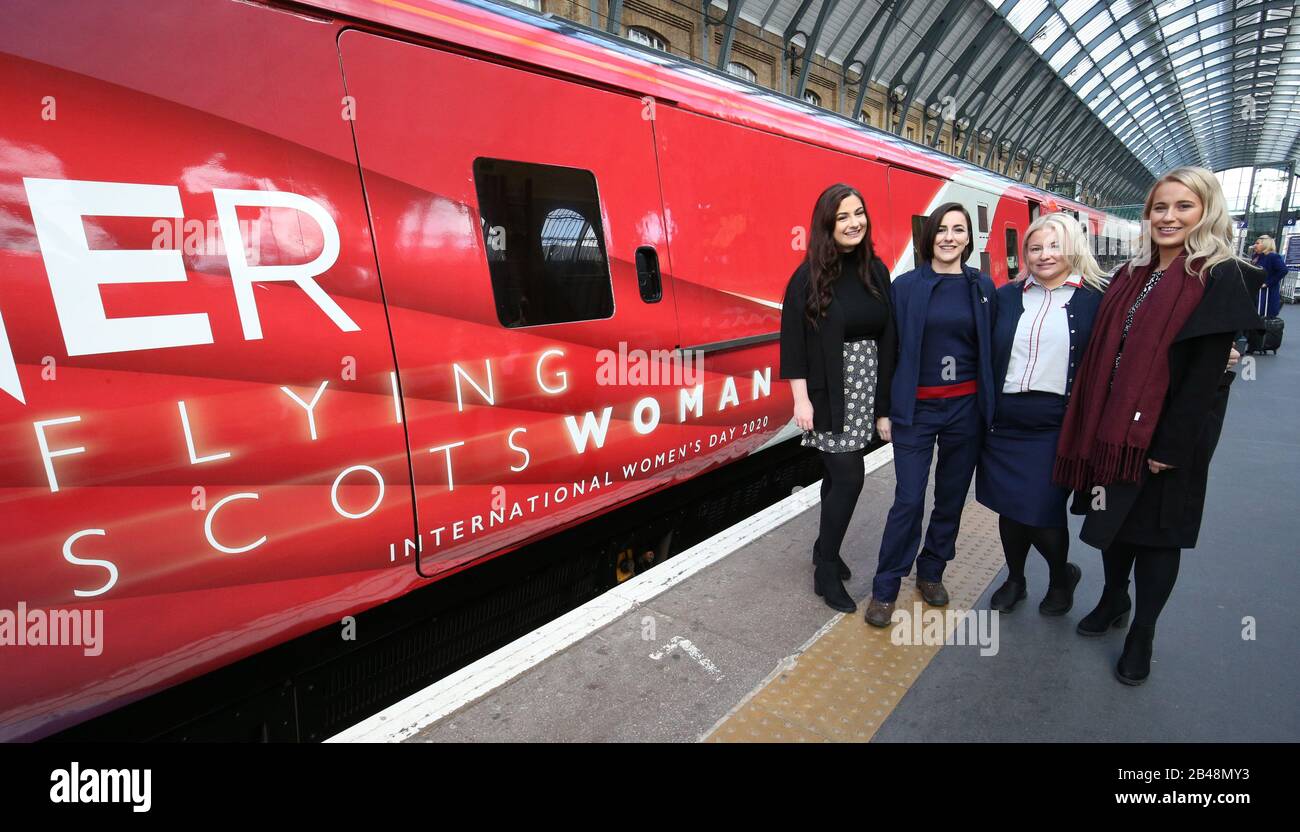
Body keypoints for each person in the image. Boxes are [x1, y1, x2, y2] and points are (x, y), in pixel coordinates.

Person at [1053, 166, 1265, 685]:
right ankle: (1113, 598)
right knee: (1116, 525)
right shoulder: (1132, 274)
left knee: (1158, 536)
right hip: (1116, 428)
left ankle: (1142, 632)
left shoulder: (1219, 276)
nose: (1169, 217)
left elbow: (1206, 374)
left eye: (1183, 207)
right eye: (1160, 207)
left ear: (1206, 211)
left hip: (1174, 433)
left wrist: (1170, 444)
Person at [864, 203, 996, 627]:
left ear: (968, 239)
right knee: (908, 498)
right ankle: (886, 586)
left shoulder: (982, 287)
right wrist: (883, 410)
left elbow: (992, 348)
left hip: (965, 409)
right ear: (929, 236)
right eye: (942, 229)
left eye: (959, 230)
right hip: (916, 410)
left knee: (952, 497)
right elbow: (890, 351)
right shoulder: (905, 287)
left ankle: (932, 570)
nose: (950, 237)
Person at [977, 213, 1106, 615]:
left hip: (1057, 423)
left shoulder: (1095, 300)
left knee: (1042, 509)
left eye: (1053, 245)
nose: (1044, 255)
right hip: (1004, 421)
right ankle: (1015, 579)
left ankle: (1059, 576)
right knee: (1010, 508)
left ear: (1072, 248)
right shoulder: (1006, 296)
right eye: (1035, 248)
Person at [779, 183, 897, 614]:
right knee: (849, 477)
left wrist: (883, 407)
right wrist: (801, 400)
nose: (854, 223)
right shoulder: (807, 275)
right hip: (828, 392)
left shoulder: (876, 271)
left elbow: (890, 337)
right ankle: (825, 568)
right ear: (827, 225)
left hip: (866, 390)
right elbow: (792, 341)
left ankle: (820, 548)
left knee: (837, 476)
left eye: (859, 213)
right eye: (843, 216)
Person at [1250, 234, 1287, 319]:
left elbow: (1283, 270)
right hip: (1256, 291)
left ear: (1265, 244)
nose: (1255, 245)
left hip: (1267, 293)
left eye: (1257, 243)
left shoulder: (1272, 257)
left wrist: (1267, 283)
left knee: (1262, 317)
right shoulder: (1256, 256)